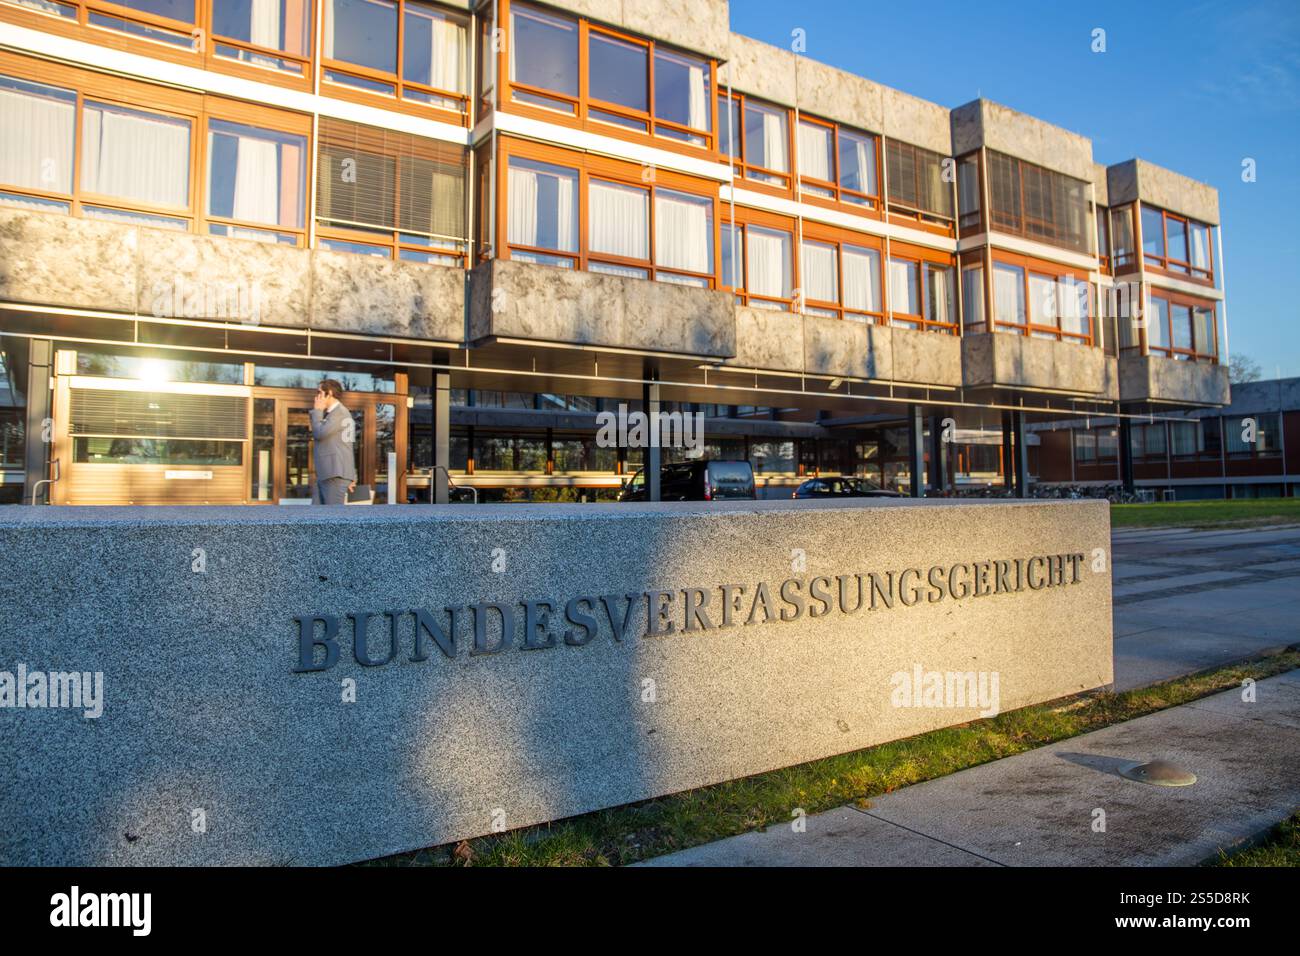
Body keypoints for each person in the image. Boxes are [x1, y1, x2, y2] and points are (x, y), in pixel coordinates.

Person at [310, 379, 357, 505]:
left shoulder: (339, 413)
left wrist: (317, 412)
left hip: (334, 474)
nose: (317, 397)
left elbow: (319, 433)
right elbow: (347, 446)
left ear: (329, 393)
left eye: (319, 392)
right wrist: (352, 474)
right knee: (317, 517)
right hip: (328, 473)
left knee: (332, 518)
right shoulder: (338, 413)